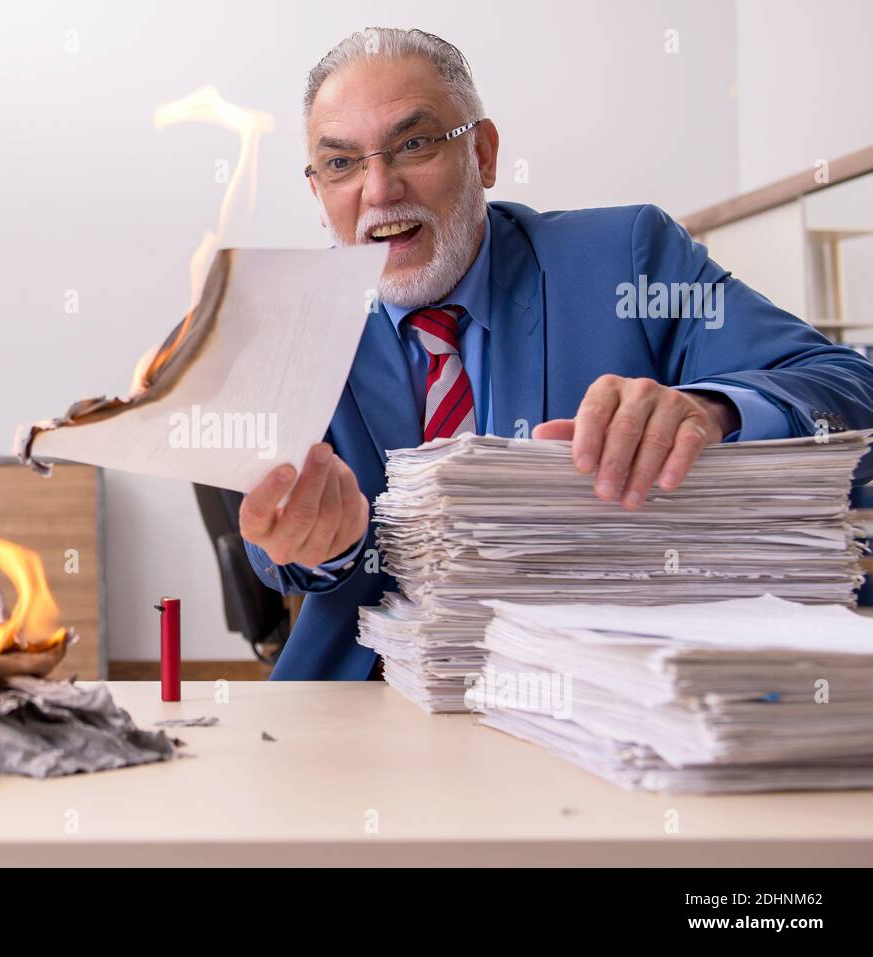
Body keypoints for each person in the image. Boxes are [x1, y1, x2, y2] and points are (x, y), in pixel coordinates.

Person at [240, 27, 873, 680]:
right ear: (318, 192)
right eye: (341, 163)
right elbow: (276, 553)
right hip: (372, 702)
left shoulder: (626, 257)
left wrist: (711, 410)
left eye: (414, 143)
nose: (379, 189)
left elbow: (848, 386)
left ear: (483, 154)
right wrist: (311, 542)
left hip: (610, 697)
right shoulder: (298, 320)